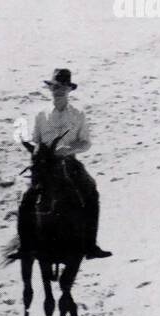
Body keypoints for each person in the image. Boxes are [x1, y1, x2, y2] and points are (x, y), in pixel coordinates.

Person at [29, 69, 111, 259]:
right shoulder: (41, 114)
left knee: (91, 191)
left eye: (62, 88)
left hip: (69, 163)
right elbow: (35, 140)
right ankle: (26, 244)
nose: (58, 91)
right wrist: (38, 152)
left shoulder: (78, 114)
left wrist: (68, 149)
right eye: (55, 87)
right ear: (50, 89)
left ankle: (90, 245)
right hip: (45, 164)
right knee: (28, 197)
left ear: (68, 90)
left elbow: (86, 142)